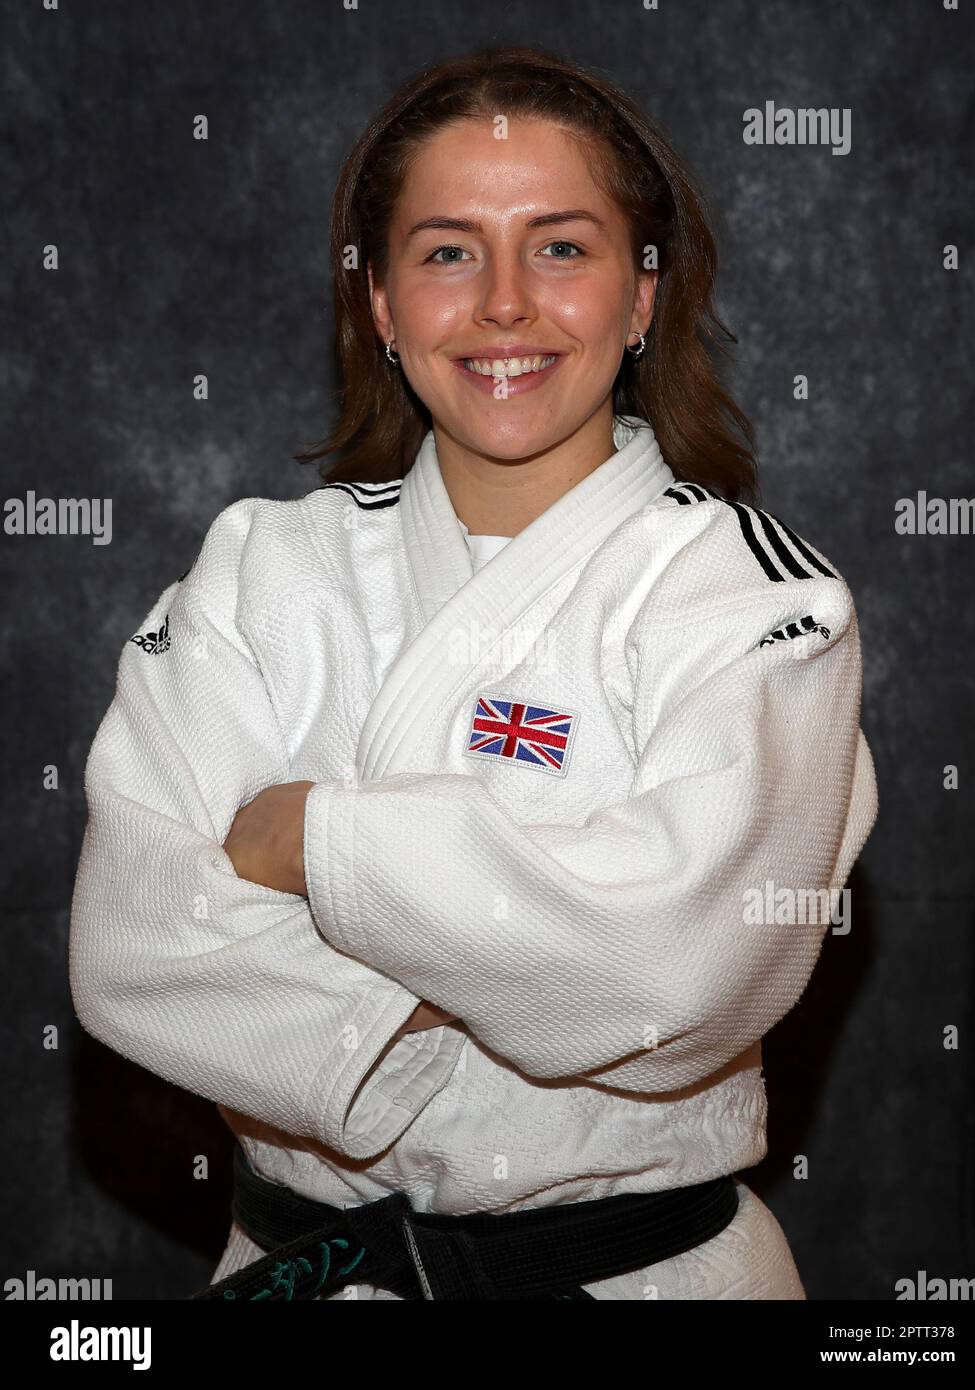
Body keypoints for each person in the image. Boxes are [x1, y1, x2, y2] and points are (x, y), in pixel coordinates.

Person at [69, 44, 878, 1300]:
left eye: (563, 246)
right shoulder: (265, 570)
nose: (506, 302)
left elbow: (673, 971)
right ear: (382, 305)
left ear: (645, 292)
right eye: (448, 251)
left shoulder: (758, 597)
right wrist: (516, 970)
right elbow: (132, 948)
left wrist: (309, 846)